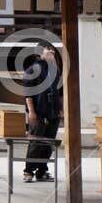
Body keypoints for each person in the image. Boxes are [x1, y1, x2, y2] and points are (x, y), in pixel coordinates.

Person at [23, 45, 62, 182]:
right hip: (39, 111)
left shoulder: (54, 69)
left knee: (49, 142)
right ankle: (28, 171)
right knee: (35, 142)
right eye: (48, 49)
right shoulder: (32, 69)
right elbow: (28, 93)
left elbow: (59, 90)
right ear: (40, 53)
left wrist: (60, 109)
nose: (52, 51)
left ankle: (42, 170)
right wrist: (31, 111)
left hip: (53, 111)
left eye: (53, 49)